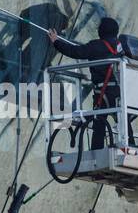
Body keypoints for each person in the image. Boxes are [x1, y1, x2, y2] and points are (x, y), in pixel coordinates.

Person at [45, 17, 124, 151]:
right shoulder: (120, 47)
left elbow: (76, 51)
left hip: (103, 92)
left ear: (102, 31)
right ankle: (132, 145)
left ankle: (96, 151)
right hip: (119, 91)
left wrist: (56, 41)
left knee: (99, 123)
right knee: (124, 121)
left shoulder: (97, 46)